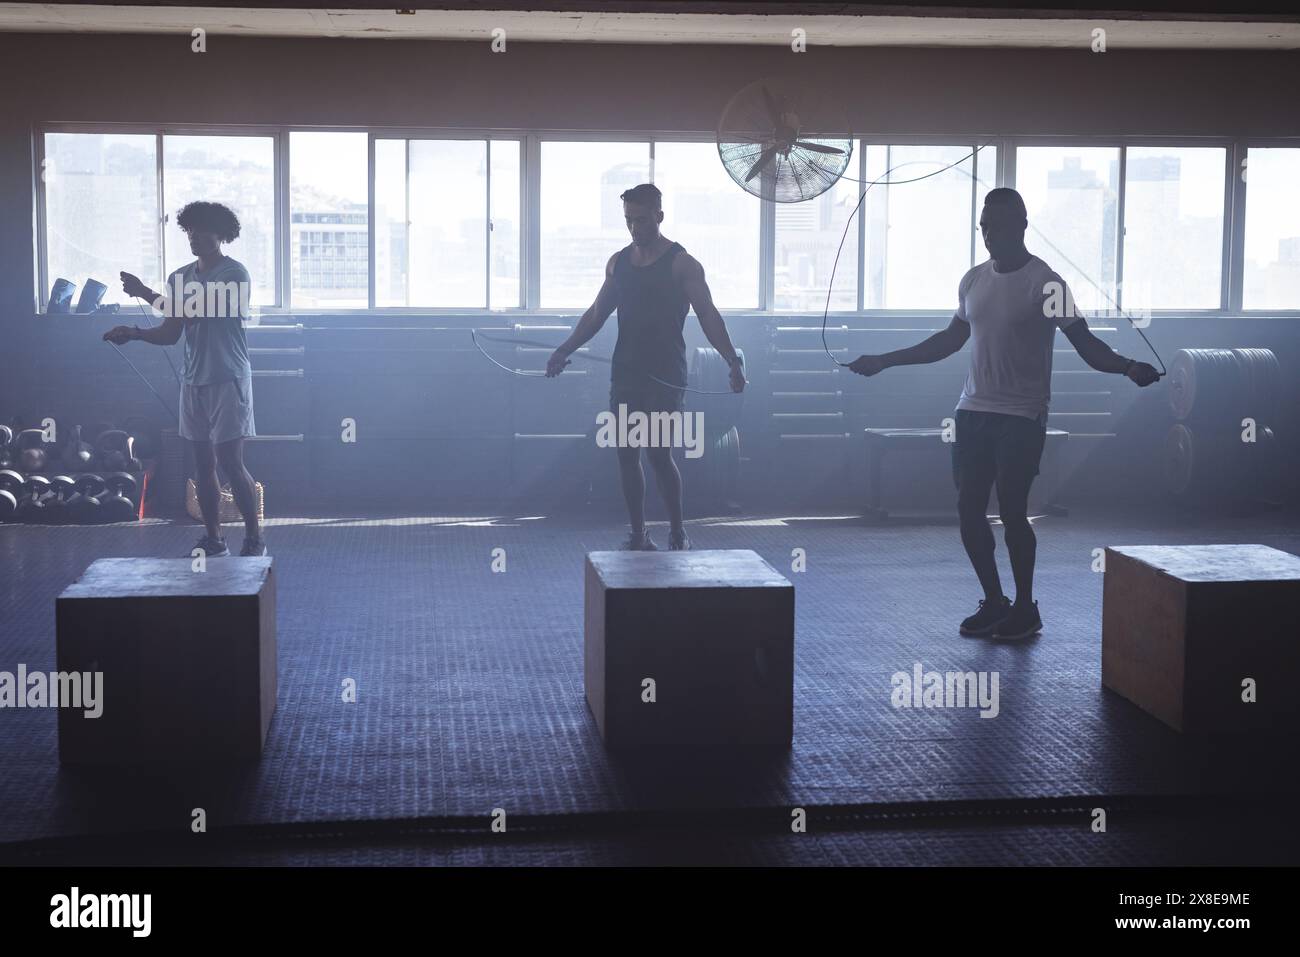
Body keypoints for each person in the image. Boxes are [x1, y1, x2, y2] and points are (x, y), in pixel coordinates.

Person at [849, 187, 1159, 640]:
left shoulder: (1047, 284)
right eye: (984, 225)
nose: (990, 233)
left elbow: (1087, 345)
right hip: (971, 412)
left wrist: (1128, 366)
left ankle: (1026, 608)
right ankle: (995, 602)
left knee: (1014, 514)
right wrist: (885, 360)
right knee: (968, 511)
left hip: (1021, 416)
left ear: (1022, 226)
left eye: (998, 224)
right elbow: (948, 341)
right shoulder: (973, 280)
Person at [546, 183, 745, 551]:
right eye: (629, 221)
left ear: (659, 216)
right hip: (626, 373)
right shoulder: (618, 263)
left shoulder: (683, 264)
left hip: (666, 376)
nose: (635, 228)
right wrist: (564, 349)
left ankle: (677, 531)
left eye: (642, 220)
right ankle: (638, 534)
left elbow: (707, 315)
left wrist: (732, 360)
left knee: (658, 453)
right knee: (626, 453)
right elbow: (595, 315)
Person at [104, 201, 265, 558]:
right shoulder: (179, 278)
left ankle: (254, 537)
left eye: (204, 230)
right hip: (193, 379)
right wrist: (132, 332)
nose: (196, 237)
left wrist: (145, 292)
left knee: (230, 462)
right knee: (202, 464)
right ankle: (215, 538)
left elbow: (194, 311)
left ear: (222, 235)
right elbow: (171, 333)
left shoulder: (234, 275)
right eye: (191, 231)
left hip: (228, 377)